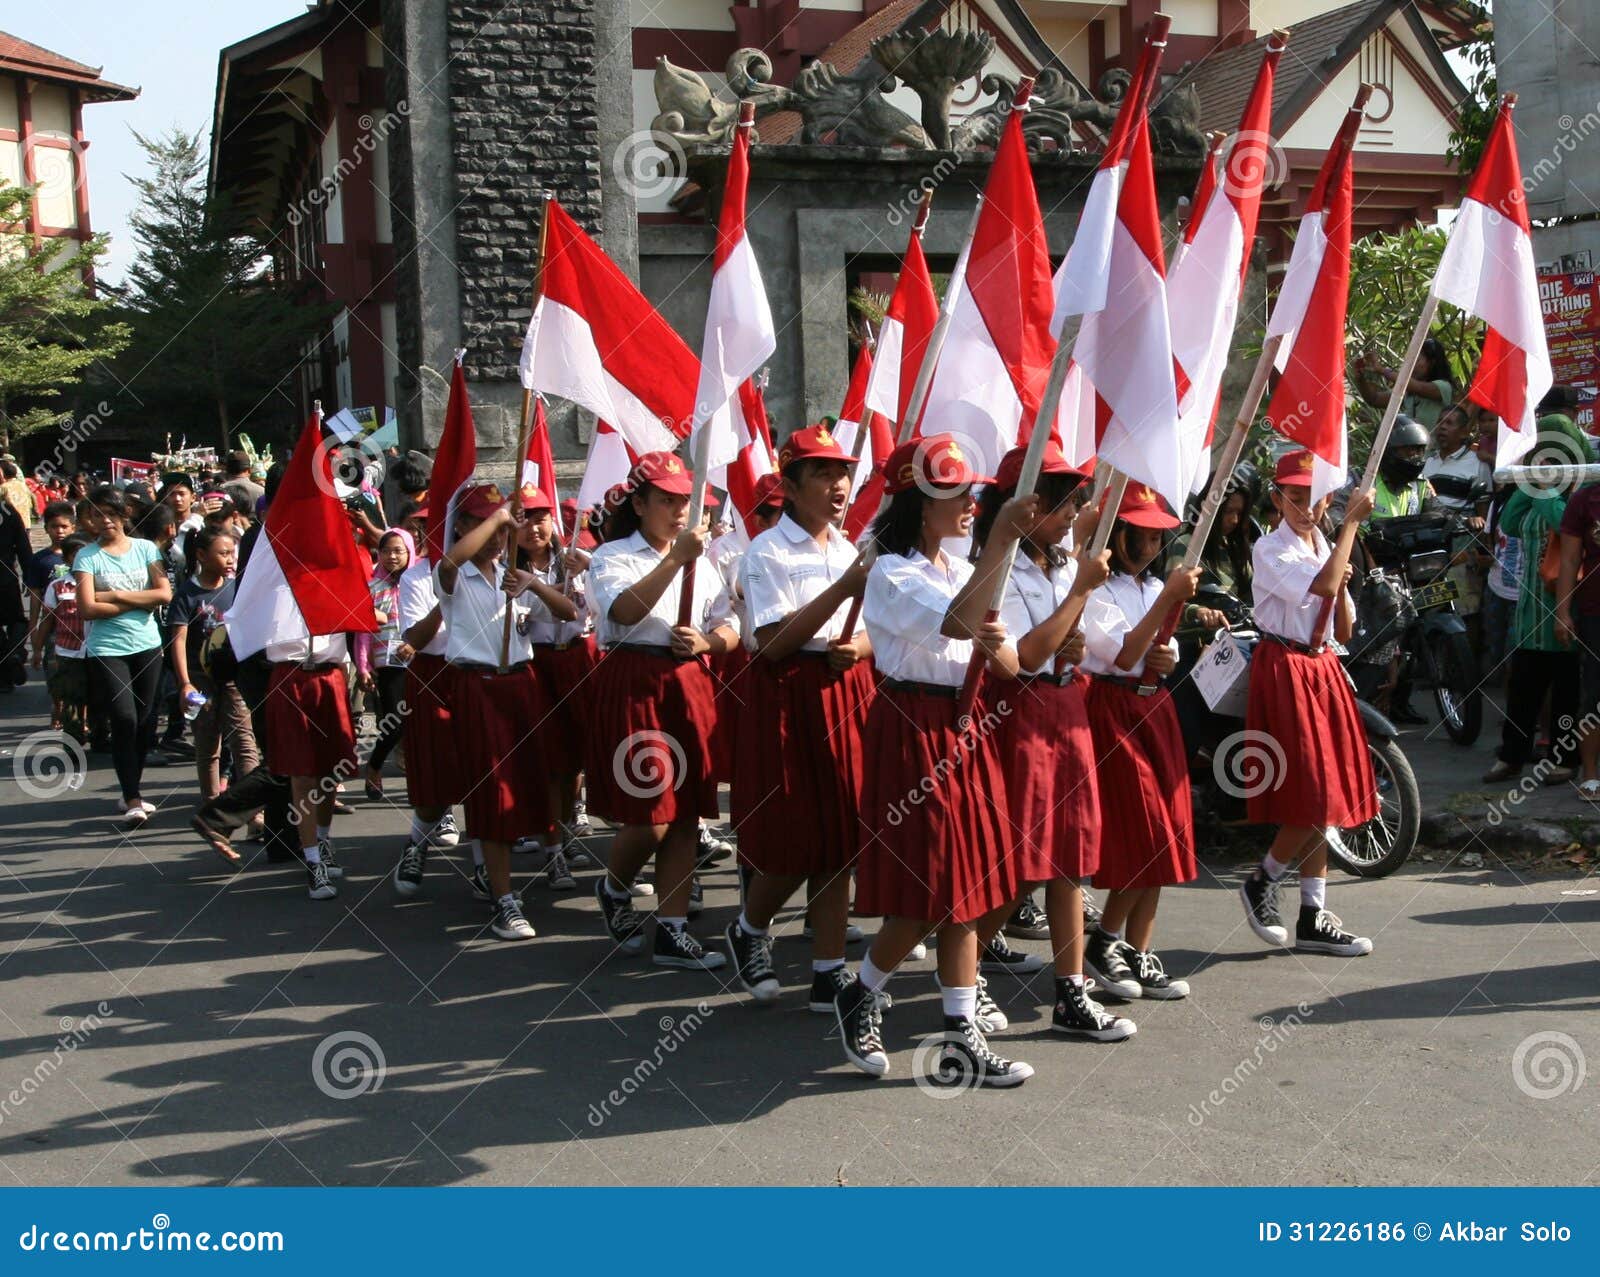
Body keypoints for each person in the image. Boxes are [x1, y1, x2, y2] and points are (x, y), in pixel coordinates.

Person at [831, 434, 1032, 1088]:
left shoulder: (957, 569)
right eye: (957, 494)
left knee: (966, 886)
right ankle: (862, 989)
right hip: (914, 726)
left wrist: (997, 630)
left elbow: (1010, 665)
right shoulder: (890, 572)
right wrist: (1001, 541)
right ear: (921, 505)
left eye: (975, 494)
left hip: (963, 726)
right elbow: (952, 625)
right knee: (930, 887)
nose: (972, 504)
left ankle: (958, 1032)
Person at [949, 442, 1134, 1041]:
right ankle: (965, 975)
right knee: (1017, 861)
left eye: (1073, 501)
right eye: (1059, 501)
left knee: (1070, 857)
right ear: (1022, 506)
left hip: (1065, 706)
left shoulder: (1060, 564)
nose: (1072, 512)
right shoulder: (997, 569)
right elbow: (1023, 655)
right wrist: (1080, 593)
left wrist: (1073, 635)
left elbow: (1058, 645)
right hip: (1018, 713)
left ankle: (1070, 991)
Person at [724, 425, 875, 1011]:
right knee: (796, 833)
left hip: (845, 689)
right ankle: (751, 926)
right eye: (822, 473)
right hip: (790, 694)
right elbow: (774, 640)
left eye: (842, 472)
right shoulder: (767, 552)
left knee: (842, 833)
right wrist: (841, 591)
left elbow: (875, 634)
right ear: (790, 483)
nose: (839, 485)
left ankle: (828, 968)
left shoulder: (847, 548)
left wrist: (856, 649)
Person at [585, 452, 739, 972]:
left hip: (688, 682)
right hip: (634, 679)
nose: (678, 511)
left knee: (686, 814)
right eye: (667, 500)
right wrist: (676, 560)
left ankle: (672, 929)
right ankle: (614, 886)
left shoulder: (708, 561)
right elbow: (623, 611)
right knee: (652, 811)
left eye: (684, 501)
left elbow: (730, 623)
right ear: (641, 503)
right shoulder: (614, 557)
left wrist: (708, 642)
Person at [1239, 450, 1378, 957]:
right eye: (1294, 498)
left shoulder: (1324, 542)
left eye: (1313, 498)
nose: (1306, 508)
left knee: (1331, 794)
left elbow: (1343, 626)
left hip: (1322, 665)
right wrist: (1350, 529)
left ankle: (1313, 914)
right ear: (1277, 498)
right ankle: (1263, 878)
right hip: (1287, 668)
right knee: (1312, 792)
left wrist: (1340, 548)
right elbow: (1320, 585)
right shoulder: (1269, 549)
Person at [436, 482, 578, 938]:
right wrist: (499, 518)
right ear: (462, 526)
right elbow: (449, 562)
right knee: (493, 794)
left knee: (533, 783)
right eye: (483, 523)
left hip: (521, 686)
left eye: (501, 526)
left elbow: (568, 613)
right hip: (478, 688)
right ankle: (504, 898)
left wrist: (533, 582)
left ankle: (548, 857)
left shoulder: (509, 577)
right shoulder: (455, 577)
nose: (497, 535)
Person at [1077, 482, 1200, 1002]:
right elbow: (1124, 656)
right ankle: (1104, 940)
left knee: (1169, 830)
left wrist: (1166, 655)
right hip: (1111, 709)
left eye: (1157, 537)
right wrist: (1169, 600)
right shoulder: (1095, 590)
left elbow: (1154, 654)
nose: (1150, 547)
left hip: (1155, 708)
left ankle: (1138, 947)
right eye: (1141, 535)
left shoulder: (1152, 588)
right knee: (1143, 831)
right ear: (1118, 532)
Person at [73, 485, 173, 827]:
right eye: (96, 514)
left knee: (146, 723)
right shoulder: (86, 556)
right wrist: (137, 598)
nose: (104, 521)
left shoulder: (146, 549)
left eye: (110, 514)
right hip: (107, 649)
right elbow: (87, 608)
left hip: (147, 644)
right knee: (124, 719)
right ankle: (132, 798)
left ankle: (133, 787)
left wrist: (113, 594)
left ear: (123, 515)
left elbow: (163, 593)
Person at [1484, 426, 1578, 785]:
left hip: (1563, 610)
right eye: (1542, 459)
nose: (1546, 466)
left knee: (1566, 693)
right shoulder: (1541, 496)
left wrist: (1542, 487)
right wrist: (1527, 483)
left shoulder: (1573, 500)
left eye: (1554, 459)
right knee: (1523, 690)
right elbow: (1510, 522)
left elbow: (1563, 523)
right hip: (1529, 612)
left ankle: (1563, 759)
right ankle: (1512, 757)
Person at [517, 483, 596, 886]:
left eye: (541, 517)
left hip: (578, 661)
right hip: (539, 667)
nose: (534, 527)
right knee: (549, 763)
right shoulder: (510, 572)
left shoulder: (575, 562)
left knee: (573, 762)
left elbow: (586, 611)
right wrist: (536, 586)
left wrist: (587, 567)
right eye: (525, 518)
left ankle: (565, 832)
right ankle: (551, 849)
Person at [388, 505, 468, 899]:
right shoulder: (417, 576)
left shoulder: (485, 568)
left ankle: (488, 869)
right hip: (433, 675)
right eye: (422, 526)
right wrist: (446, 596)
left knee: (484, 773)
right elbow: (417, 638)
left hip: (473, 673)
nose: (428, 532)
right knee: (437, 773)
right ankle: (417, 843)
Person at [169, 526, 260, 862]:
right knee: (209, 747)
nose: (228, 559)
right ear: (201, 555)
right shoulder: (187, 595)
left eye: (231, 553)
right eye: (222, 553)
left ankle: (253, 814)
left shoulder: (237, 590)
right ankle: (212, 809)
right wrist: (184, 684)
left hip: (234, 678)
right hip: (199, 679)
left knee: (244, 743)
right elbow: (177, 641)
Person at [355, 528, 414, 801]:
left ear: (409, 553)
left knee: (421, 726)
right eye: (387, 551)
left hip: (419, 663)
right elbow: (363, 632)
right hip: (387, 664)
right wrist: (364, 667)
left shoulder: (417, 583)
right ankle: (375, 767)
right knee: (394, 725)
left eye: (398, 551)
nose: (392, 556)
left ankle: (422, 783)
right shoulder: (371, 587)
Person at [32, 533, 92, 741]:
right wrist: (38, 649)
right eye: (74, 556)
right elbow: (47, 619)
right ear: (66, 560)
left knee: (94, 694)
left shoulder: (99, 583)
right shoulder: (57, 586)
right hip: (67, 650)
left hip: (97, 649)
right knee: (71, 697)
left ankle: (96, 731)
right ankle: (74, 737)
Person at [1355, 336, 1455, 428]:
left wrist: (1381, 370)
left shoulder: (1443, 387)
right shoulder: (1409, 392)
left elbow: (1419, 387)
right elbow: (1374, 399)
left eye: (1417, 360)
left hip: (1433, 447)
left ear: (1432, 363)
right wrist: (1361, 379)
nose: (1412, 365)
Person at [1367, 416, 1434, 522]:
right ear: (1387, 450)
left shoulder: (1422, 484)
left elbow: (1439, 511)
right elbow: (1338, 518)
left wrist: (1463, 521)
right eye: (1408, 449)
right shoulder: (1362, 481)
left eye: (1418, 450)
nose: (1414, 455)